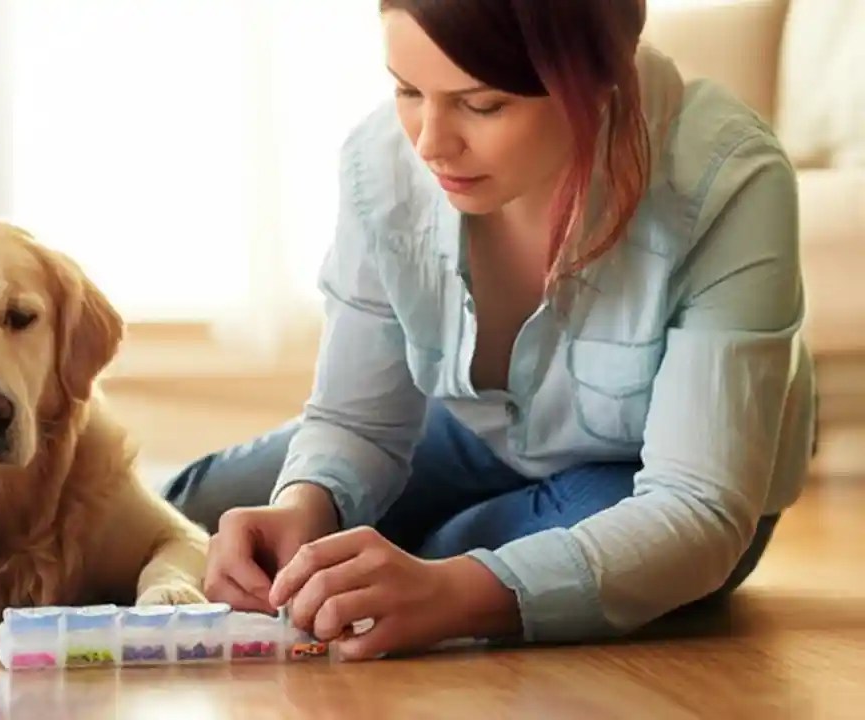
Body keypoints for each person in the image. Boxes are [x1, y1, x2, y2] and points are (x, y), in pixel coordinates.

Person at [160, 0, 817, 662]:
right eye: (409, 90)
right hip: (473, 429)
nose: (429, 144)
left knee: (455, 555)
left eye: (481, 105)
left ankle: (447, 556)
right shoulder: (381, 164)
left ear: (596, 79)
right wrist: (309, 505)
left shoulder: (728, 179)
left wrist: (450, 590)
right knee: (204, 512)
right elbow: (357, 423)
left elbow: (697, 510)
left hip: (640, 474)